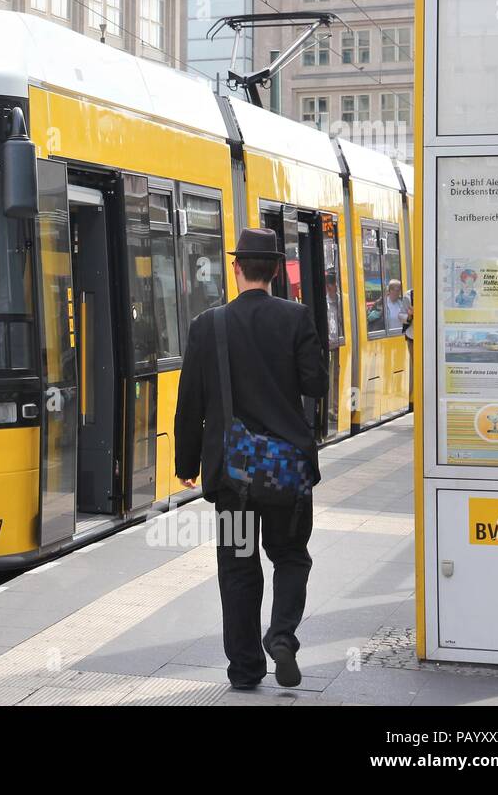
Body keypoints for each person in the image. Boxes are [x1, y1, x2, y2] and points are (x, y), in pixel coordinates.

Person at [174, 228, 328, 690]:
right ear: (277, 271)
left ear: (236, 269)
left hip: (234, 478)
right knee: (290, 556)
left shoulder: (208, 325)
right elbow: (316, 385)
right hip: (286, 474)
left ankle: (244, 670)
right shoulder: (297, 318)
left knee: (239, 566)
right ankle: (280, 635)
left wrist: (187, 466)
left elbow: (190, 406)